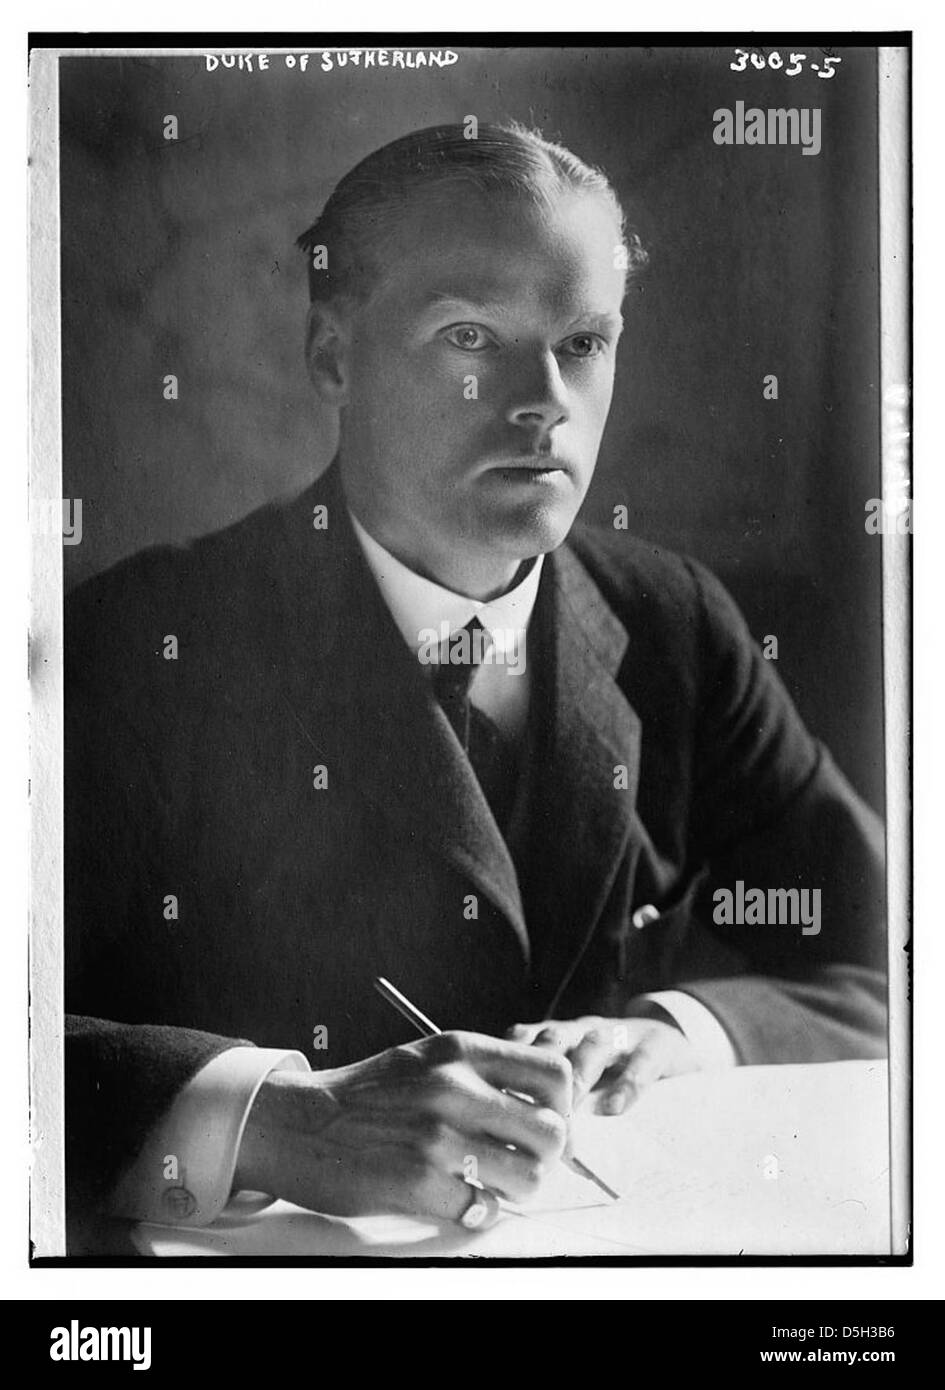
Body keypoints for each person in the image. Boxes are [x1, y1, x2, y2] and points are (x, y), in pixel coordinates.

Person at [64, 122, 886, 1242]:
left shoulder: (672, 623)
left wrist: (684, 1028)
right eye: (471, 338)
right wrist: (276, 1121)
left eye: (585, 341)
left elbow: (882, 946)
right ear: (333, 359)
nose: (544, 400)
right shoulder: (142, 645)